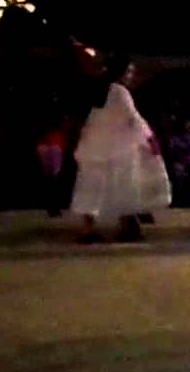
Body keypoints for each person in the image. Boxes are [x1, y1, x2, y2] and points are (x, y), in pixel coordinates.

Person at [70, 55, 170, 243]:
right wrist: (150, 138)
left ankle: (89, 229)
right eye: (129, 71)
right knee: (123, 185)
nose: (132, 75)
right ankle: (128, 226)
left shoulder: (99, 89)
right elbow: (133, 118)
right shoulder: (119, 91)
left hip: (94, 144)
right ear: (120, 73)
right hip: (115, 147)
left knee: (92, 188)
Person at [166, 117, 190, 207]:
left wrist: (182, 150)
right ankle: (178, 199)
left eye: (187, 123)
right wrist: (185, 150)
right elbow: (171, 149)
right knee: (177, 171)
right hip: (178, 161)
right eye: (183, 123)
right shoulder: (173, 136)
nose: (185, 125)